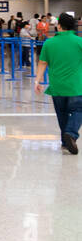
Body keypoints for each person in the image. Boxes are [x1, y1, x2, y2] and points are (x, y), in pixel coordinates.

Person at [35, 11, 82, 155]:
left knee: (61, 114)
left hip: (57, 86)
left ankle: (65, 141)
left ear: (59, 26)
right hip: (76, 86)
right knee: (78, 110)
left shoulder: (49, 43)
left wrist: (37, 80)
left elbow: (42, 63)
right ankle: (71, 134)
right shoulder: (79, 42)